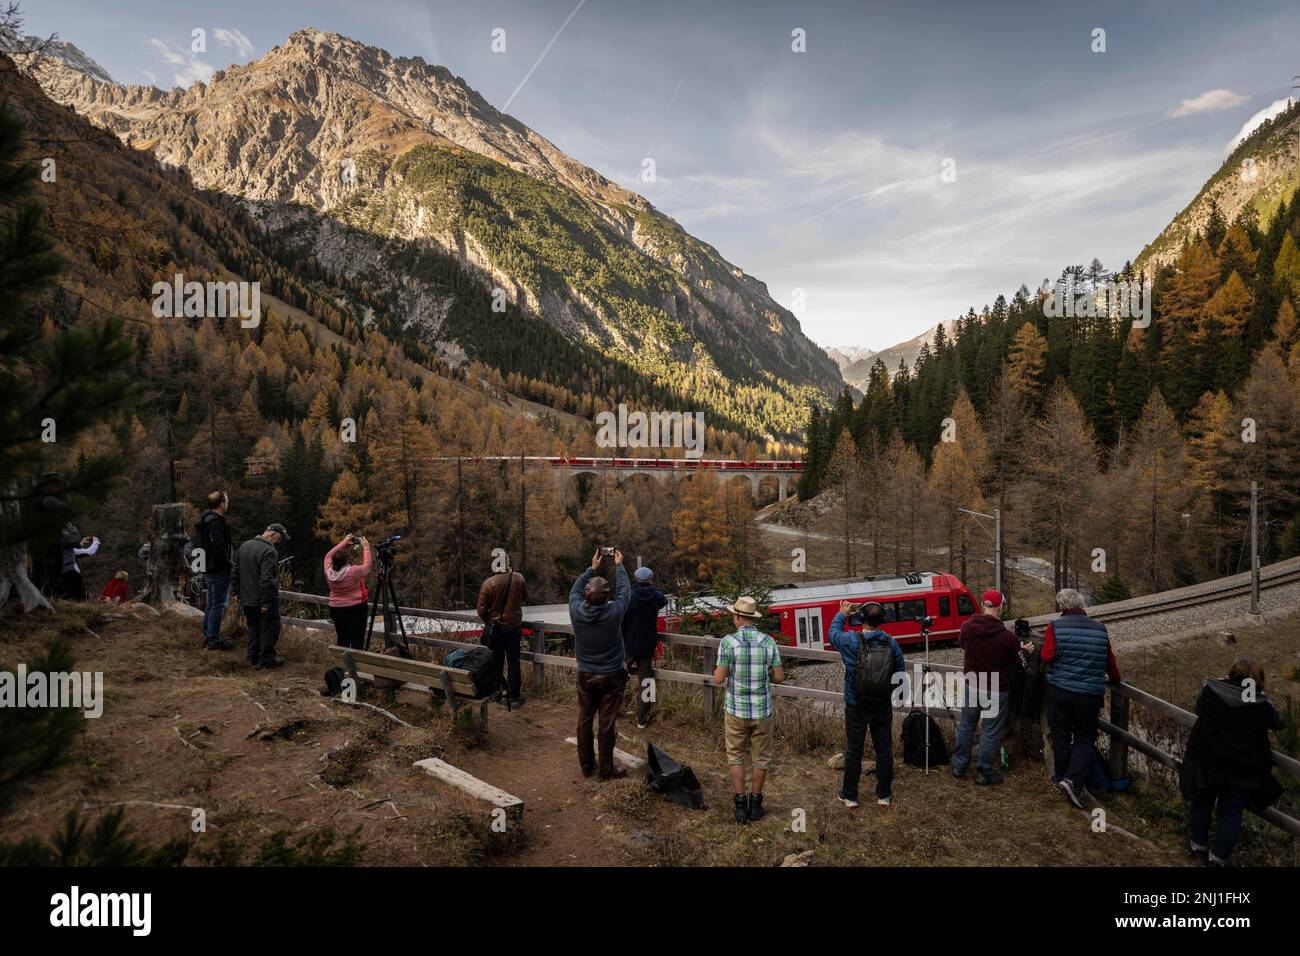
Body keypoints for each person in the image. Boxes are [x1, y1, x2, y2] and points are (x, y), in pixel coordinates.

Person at [1180, 658, 1284, 865]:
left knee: (1201, 801)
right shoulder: (1262, 704)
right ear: (1258, 680)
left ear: (1232, 673)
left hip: (1207, 759)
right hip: (1242, 766)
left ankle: (1198, 844)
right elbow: (1279, 723)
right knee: (1230, 812)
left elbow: (1199, 707)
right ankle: (1218, 857)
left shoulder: (1210, 688)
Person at [1041, 587, 1121, 808]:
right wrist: (1115, 679)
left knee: (1061, 735)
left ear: (1062, 607)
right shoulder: (1100, 629)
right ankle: (1074, 780)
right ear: (1081, 605)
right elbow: (1110, 663)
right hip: (1089, 695)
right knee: (1085, 737)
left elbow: (1046, 656)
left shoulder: (1055, 626)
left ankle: (1062, 777)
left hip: (1061, 691)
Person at [951, 590, 1035, 785]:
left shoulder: (967, 627)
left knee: (966, 726)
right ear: (1000, 607)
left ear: (983, 605)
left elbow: (963, 645)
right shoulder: (1007, 637)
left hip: (972, 684)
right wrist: (1024, 651)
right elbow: (1022, 666)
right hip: (995, 688)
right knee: (990, 731)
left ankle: (959, 766)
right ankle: (984, 772)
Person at [713, 596, 784, 824]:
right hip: (762, 710)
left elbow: (718, 678)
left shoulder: (728, 642)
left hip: (736, 710)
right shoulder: (768, 642)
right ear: (752, 618)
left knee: (736, 756)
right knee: (760, 758)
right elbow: (779, 677)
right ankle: (756, 806)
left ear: (737, 617)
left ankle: (740, 807)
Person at [829, 601, 903, 808]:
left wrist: (842, 614)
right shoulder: (891, 643)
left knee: (854, 749)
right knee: (884, 750)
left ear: (861, 619)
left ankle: (850, 795)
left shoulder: (850, 640)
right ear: (882, 620)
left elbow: (832, 633)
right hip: (881, 704)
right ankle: (884, 795)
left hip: (856, 704)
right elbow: (899, 675)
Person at [569, 548, 632, 780]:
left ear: (586, 594)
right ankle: (606, 769)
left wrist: (591, 568)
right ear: (606, 596)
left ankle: (586, 766)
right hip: (612, 676)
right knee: (606, 724)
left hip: (586, 675)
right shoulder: (614, 612)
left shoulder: (576, 610)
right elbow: (625, 592)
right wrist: (619, 566)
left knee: (584, 720)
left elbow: (574, 589)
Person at [231, 523, 290, 669]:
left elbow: (235, 572)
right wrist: (265, 603)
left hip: (247, 599)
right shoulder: (269, 551)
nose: (279, 542)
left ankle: (252, 658)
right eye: (279, 538)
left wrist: (237, 594)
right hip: (263, 599)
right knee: (269, 628)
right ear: (271, 534)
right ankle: (266, 659)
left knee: (253, 628)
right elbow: (267, 580)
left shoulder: (244, 546)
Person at [477, 559, 528, 707]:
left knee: (496, 661)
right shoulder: (519, 578)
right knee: (513, 661)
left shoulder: (488, 583)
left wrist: (490, 620)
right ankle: (515, 696)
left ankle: (499, 692)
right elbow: (524, 597)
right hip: (514, 626)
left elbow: (481, 610)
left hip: (496, 629)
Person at [621, 565, 667, 729]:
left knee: (616, 676)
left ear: (636, 579)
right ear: (650, 580)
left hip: (628, 644)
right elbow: (664, 600)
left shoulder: (629, 596)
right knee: (647, 682)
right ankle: (643, 718)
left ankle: (612, 709)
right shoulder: (656, 597)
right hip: (647, 645)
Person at [196, 491, 234, 651]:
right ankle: (214, 638)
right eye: (226, 500)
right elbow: (219, 548)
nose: (228, 502)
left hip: (207, 566)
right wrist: (228, 565)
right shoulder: (216, 523)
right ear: (221, 504)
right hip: (218, 568)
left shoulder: (204, 521)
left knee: (211, 603)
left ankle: (209, 634)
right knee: (218, 604)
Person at [325, 534, 372, 649]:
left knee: (342, 638)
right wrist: (366, 547)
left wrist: (343, 542)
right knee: (357, 639)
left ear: (333, 561)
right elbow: (367, 566)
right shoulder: (354, 571)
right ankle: (356, 666)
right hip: (356, 608)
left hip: (336, 608)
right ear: (346, 560)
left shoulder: (328, 570)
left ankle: (342, 665)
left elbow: (328, 555)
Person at [56, 525, 98, 600]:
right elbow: (90, 551)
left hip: (58, 572)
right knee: (79, 595)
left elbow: (72, 546)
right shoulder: (71, 549)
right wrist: (96, 542)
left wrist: (81, 543)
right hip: (70, 571)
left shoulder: (58, 546)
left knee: (64, 595)